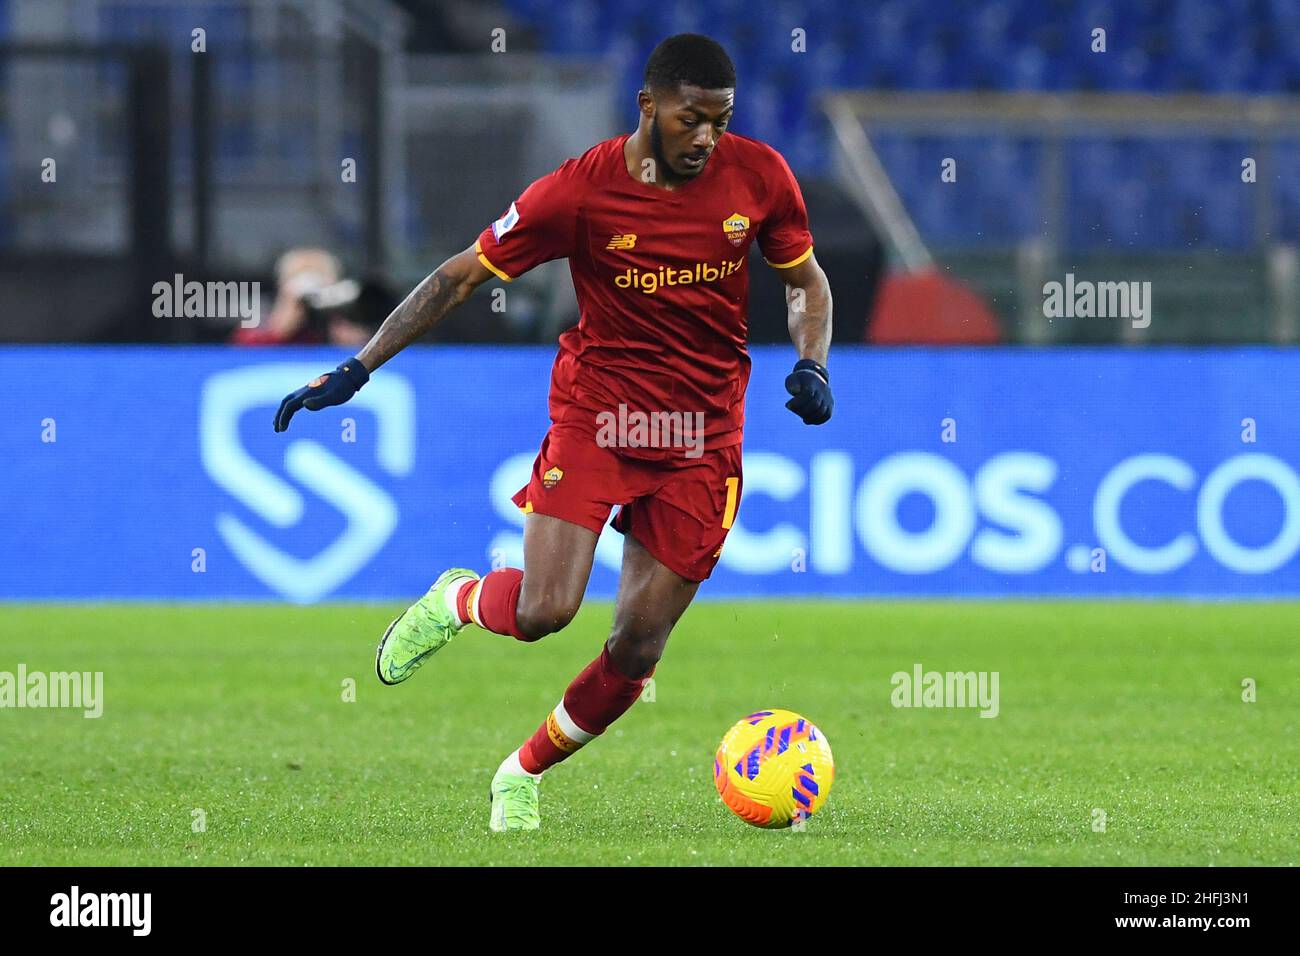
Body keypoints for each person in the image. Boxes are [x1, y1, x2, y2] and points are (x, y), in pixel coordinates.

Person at [273, 33, 834, 831]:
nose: (706, 137)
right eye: (690, 119)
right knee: (544, 612)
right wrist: (357, 369)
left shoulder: (762, 177)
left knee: (638, 649)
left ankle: (521, 772)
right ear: (648, 107)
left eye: (720, 120)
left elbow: (806, 285)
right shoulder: (580, 193)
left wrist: (813, 364)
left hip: (702, 438)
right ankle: (459, 600)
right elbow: (458, 276)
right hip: (599, 419)